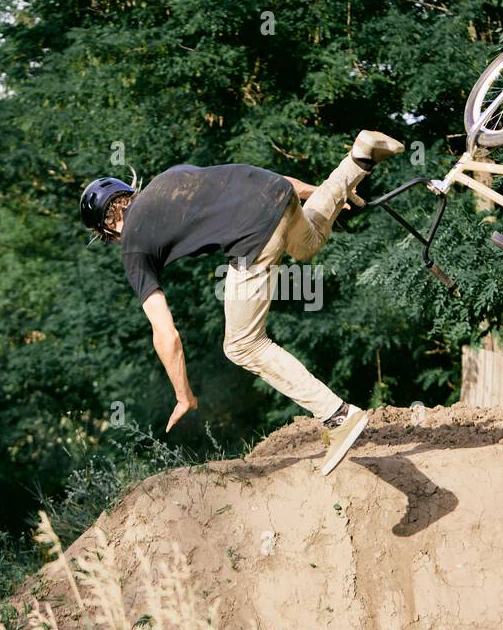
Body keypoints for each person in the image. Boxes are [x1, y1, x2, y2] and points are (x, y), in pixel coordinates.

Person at [79, 131, 403, 474]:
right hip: (277, 192)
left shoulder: (131, 246)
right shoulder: (170, 178)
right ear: (128, 193)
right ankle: (358, 159)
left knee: (242, 344)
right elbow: (262, 181)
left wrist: (183, 395)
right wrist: (331, 192)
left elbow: (166, 334)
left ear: (110, 226)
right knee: (305, 245)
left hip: (251, 235)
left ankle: (338, 416)